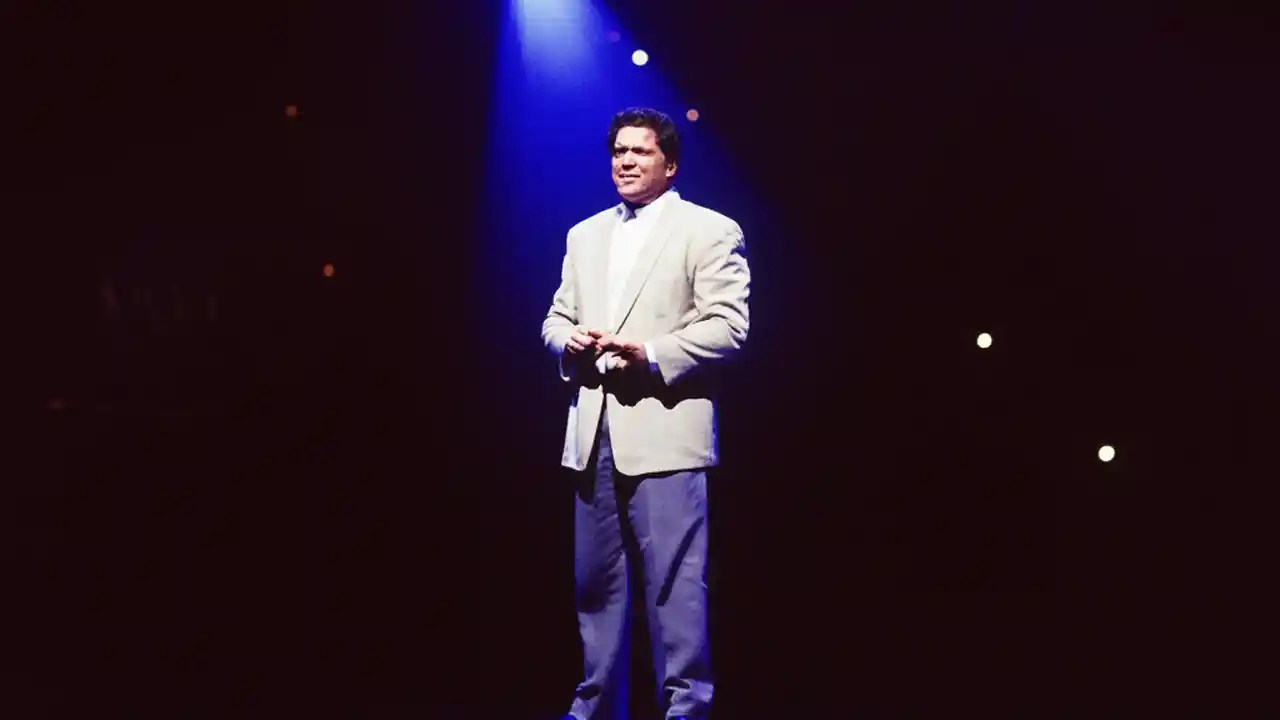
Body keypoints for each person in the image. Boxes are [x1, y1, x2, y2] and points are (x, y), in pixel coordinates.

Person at [542, 107, 750, 720]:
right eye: (618, 152)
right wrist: (568, 343)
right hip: (593, 432)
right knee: (594, 586)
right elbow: (556, 317)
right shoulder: (585, 234)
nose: (626, 161)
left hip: (664, 426)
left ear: (671, 162)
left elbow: (729, 327)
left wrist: (652, 354)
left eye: (640, 152)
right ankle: (595, 706)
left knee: (675, 589)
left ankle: (685, 710)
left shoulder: (708, 229)